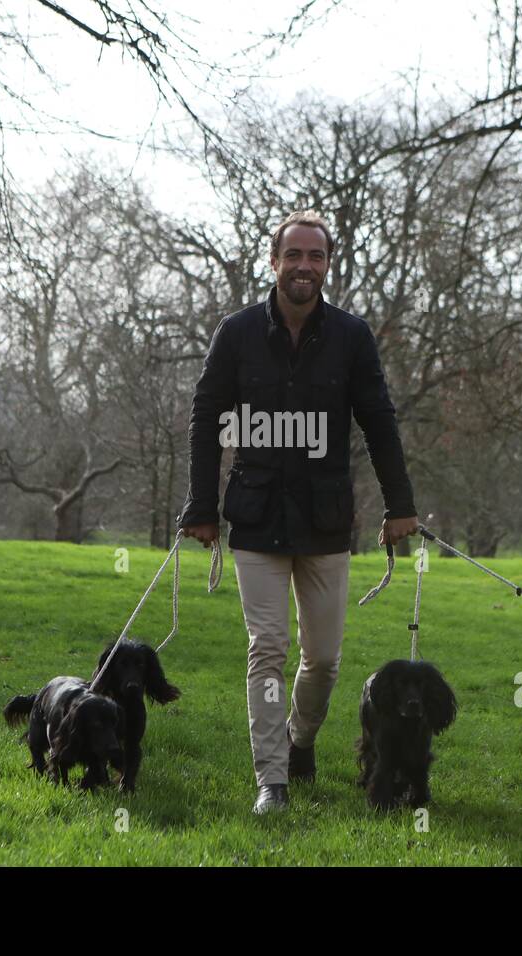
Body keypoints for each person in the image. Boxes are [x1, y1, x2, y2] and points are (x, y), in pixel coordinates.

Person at [178, 210, 419, 814]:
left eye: (315, 257)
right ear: (274, 261)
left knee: (325, 659)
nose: (303, 267)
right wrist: (201, 506)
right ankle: (272, 779)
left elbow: (379, 422)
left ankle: (300, 739)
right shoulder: (235, 334)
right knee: (268, 648)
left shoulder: (352, 337)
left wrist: (401, 506)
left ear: (327, 265)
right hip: (254, 519)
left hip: (326, 521)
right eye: (294, 255)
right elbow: (206, 418)